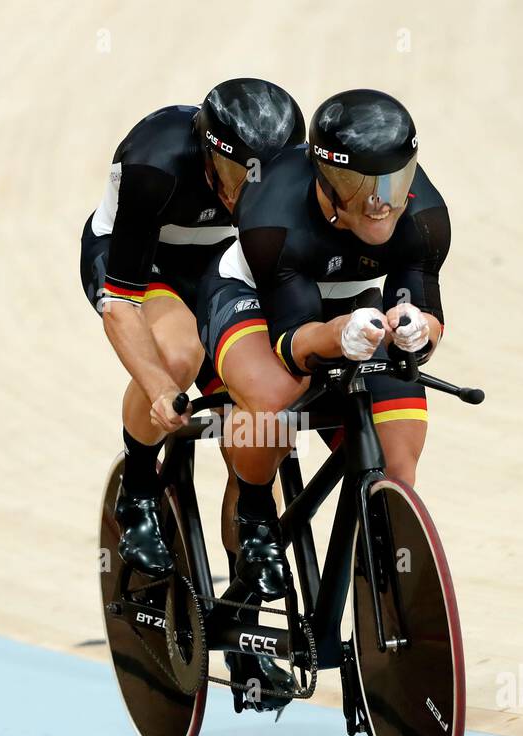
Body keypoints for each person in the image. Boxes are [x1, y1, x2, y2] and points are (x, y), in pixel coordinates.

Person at [196, 88, 450, 602]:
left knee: (397, 465)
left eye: (394, 181)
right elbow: (293, 343)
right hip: (256, 298)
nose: (380, 202)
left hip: (352, 304)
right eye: (360, 187)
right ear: (326, 180)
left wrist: (418, 329)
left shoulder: (423, 217)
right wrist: (339, 334)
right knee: (272, 399)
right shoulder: (273, 217)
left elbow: (428, 313)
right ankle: (254, 513)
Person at [80, 79, 305, 580]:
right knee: (178, 356)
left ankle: (242, 612)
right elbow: (120, 304)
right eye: (231, 172)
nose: (243, 190)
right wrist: (160, 387)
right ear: (205, 151)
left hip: (217, 271)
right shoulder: (154, 161)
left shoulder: (295, 174)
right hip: (144, 266)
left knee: (254, 428)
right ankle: (137, 491)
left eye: (262, 178)